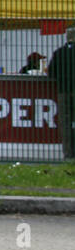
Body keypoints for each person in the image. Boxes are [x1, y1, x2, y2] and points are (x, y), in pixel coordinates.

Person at [50, 26, 75, 158]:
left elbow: (51, 73)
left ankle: (68, 153)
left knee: (65, 122)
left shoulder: (58, 52)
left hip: (63, 90)